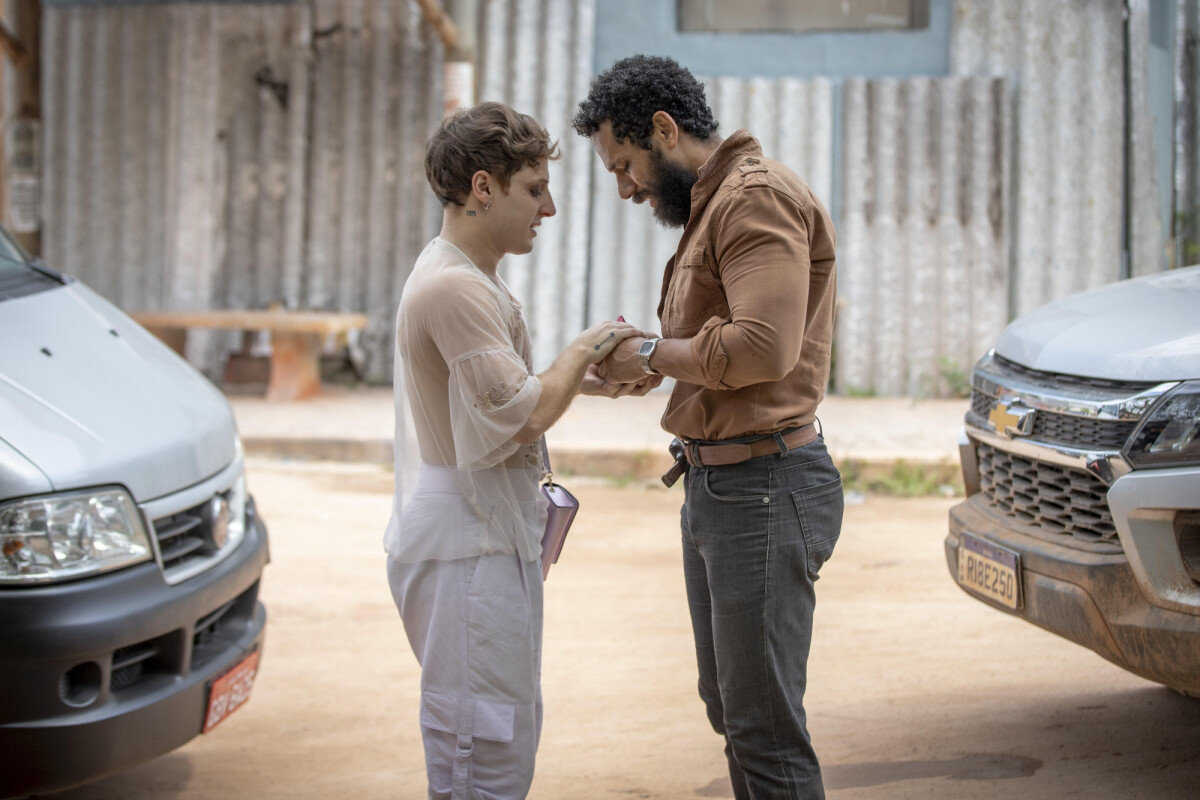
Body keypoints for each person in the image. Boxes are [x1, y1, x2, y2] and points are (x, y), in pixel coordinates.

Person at [573, 55, 844, 800]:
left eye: (624, 164)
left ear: (664, 130)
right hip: (723, 486)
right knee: (732, 707)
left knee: (763, 727)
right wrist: (645, 368)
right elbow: (718, 352)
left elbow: (762, 347)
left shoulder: (753, 200)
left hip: (764, 486)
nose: (625, 188)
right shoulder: (716, 205)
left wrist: (654, 353)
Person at [384, 101, 638, 800]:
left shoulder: (467, 278)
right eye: (534, 188)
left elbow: (504, 400)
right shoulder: (454, 287)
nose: (548, 208)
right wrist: (587, 345)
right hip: (469, 547)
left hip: (483, 535)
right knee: (482, 752)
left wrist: (572, 383)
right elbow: (516, 413)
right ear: (482, 187)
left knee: (503, 735)